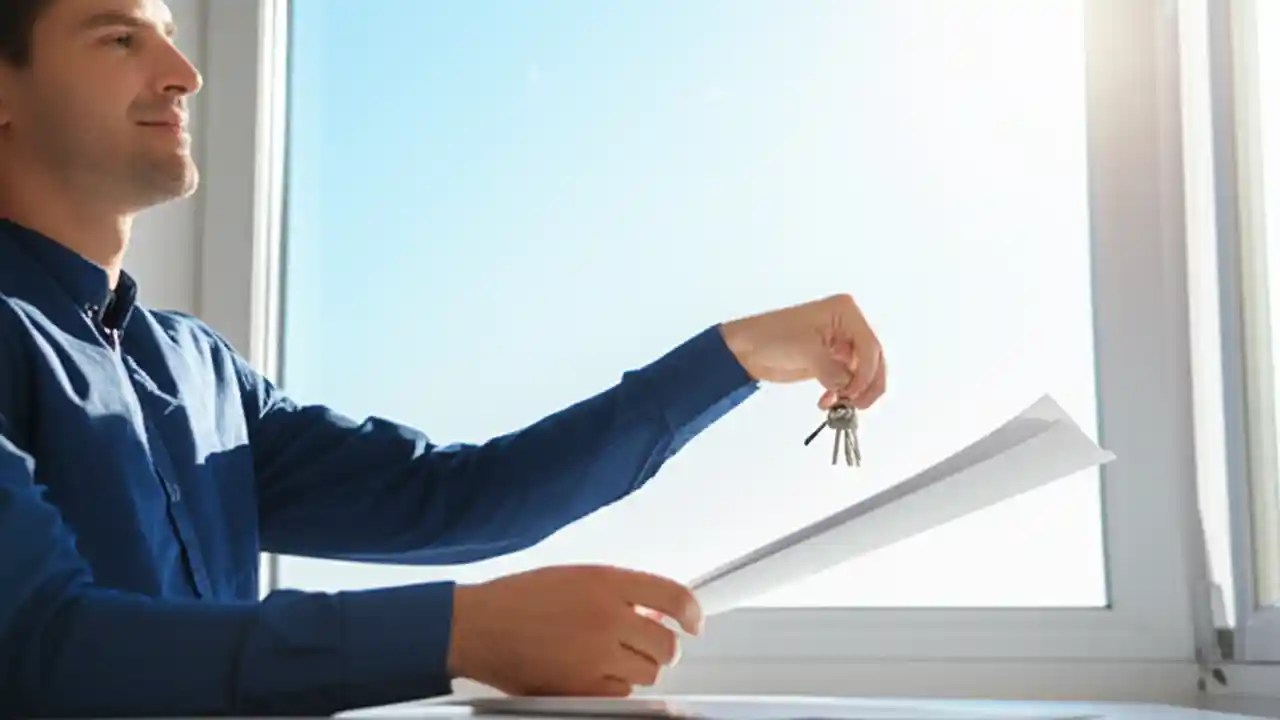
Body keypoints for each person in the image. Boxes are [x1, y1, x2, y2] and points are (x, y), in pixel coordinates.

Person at [0, 0, 887, 716]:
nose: (184, 75)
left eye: (172, 39)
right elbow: (36, 647)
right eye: (120, 37)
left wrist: (733, 357)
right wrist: (462, 633)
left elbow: (459, 496)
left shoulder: (201, 372)